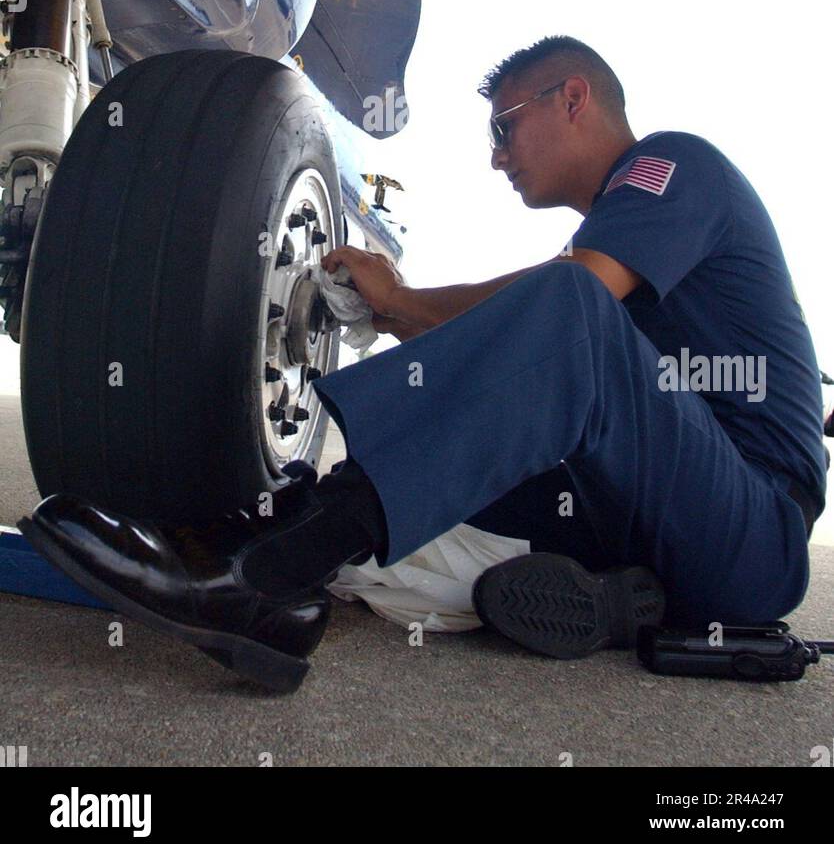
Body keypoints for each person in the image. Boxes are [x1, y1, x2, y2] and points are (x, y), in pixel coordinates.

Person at [20, 36, 828, 693]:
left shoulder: (673, 166)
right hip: (647, 516)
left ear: (572, 98)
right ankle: (257, 542)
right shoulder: (605, 250)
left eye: (503, 128)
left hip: (755, 530)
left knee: (564, 314)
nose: (496, 159)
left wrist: (409, 301)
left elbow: (564, 307)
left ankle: (270, 578)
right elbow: (521, 347)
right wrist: (396, 303)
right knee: (456, 481)